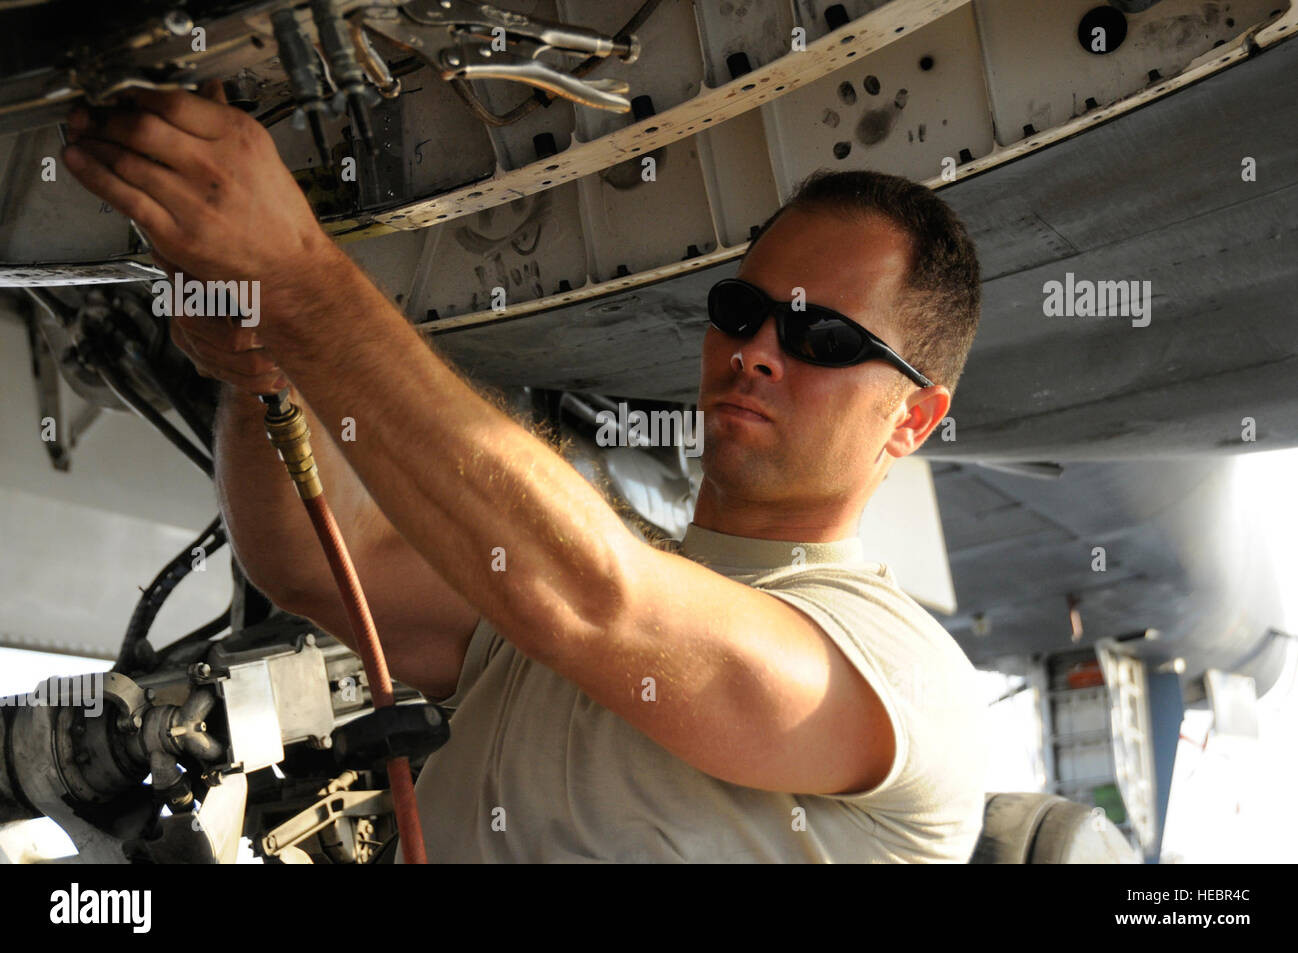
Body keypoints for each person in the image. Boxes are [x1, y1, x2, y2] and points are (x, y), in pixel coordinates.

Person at [63, 83, 987, 862]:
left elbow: (601, 603)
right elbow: (313, 562)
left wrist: (301, 280)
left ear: (913, 418)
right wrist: (267, 373)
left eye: (821, 335)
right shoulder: (555, 617)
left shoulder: (903, 674)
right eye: (741, 309)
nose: (756, 351)